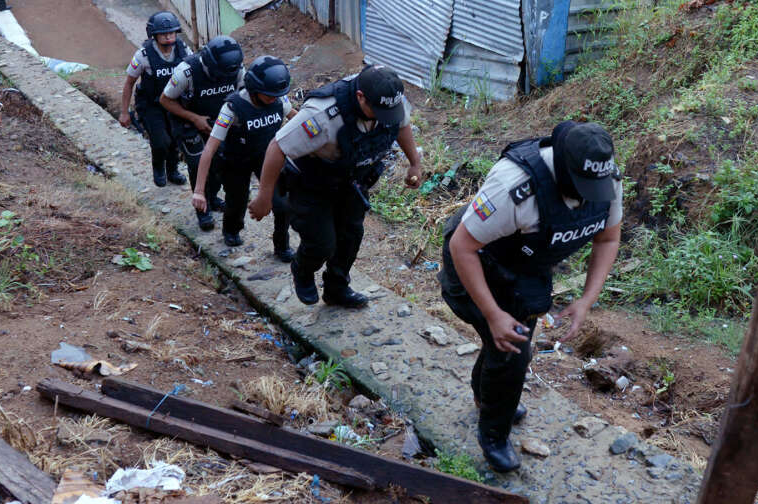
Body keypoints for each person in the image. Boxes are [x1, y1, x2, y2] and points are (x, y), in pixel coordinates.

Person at [439, 121, 623, 472]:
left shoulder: (606, 179)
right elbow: (462, 246)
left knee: (507, 346)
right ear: (564, 169)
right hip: (475, 258)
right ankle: (494, 435)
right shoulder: (514, 187)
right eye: (581, 188)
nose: (588, 196)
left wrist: (586, 299)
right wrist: (493, 313)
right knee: (512, 349)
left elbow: (608, 239)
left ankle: (487, 395)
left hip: (525, 267)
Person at [249, 65, 422, 309]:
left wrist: (414, 163)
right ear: (360, 97)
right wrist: (264, 197)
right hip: (312, 183)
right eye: (378, 112)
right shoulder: (322, 115)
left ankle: (336, 289)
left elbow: (400, 125)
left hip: (352, 181)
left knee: (351, 237)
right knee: (321, 243)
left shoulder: (389, 100)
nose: (383, 116)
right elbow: (277, 147)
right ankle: (302, 269)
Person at [193, 56, 294, 257]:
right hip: (235, 160)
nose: (273, 98)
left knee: (282, 204)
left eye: (276, 95)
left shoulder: (279, 99)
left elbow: (297, 118)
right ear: (255, 89)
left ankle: (282, 245)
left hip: (267, 158)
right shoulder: (232, 108)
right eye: (269, 95)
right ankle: (231, 229)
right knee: (237, 199)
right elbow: (210, 148)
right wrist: (199, 190)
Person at [159, 35, 244, 231]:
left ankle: (212, 197)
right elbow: (165, 100)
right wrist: (194, 118)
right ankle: (201, 209)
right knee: (197, 164)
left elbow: (241, 95)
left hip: (218, 121)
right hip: (187, 121)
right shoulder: (186, 72)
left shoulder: (236, 70)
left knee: (219, 163)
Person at [120, 11, 189, 188]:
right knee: (161, 141)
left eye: (171, 32)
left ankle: (172, 171)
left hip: (175, 104)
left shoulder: (183, 49)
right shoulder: (143, 55)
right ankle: (158, 168)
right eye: (163, 33)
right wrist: (124, 112)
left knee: (175, 139)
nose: (168, 36)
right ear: (154, 35)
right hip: (151, 105)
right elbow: (129, 83)